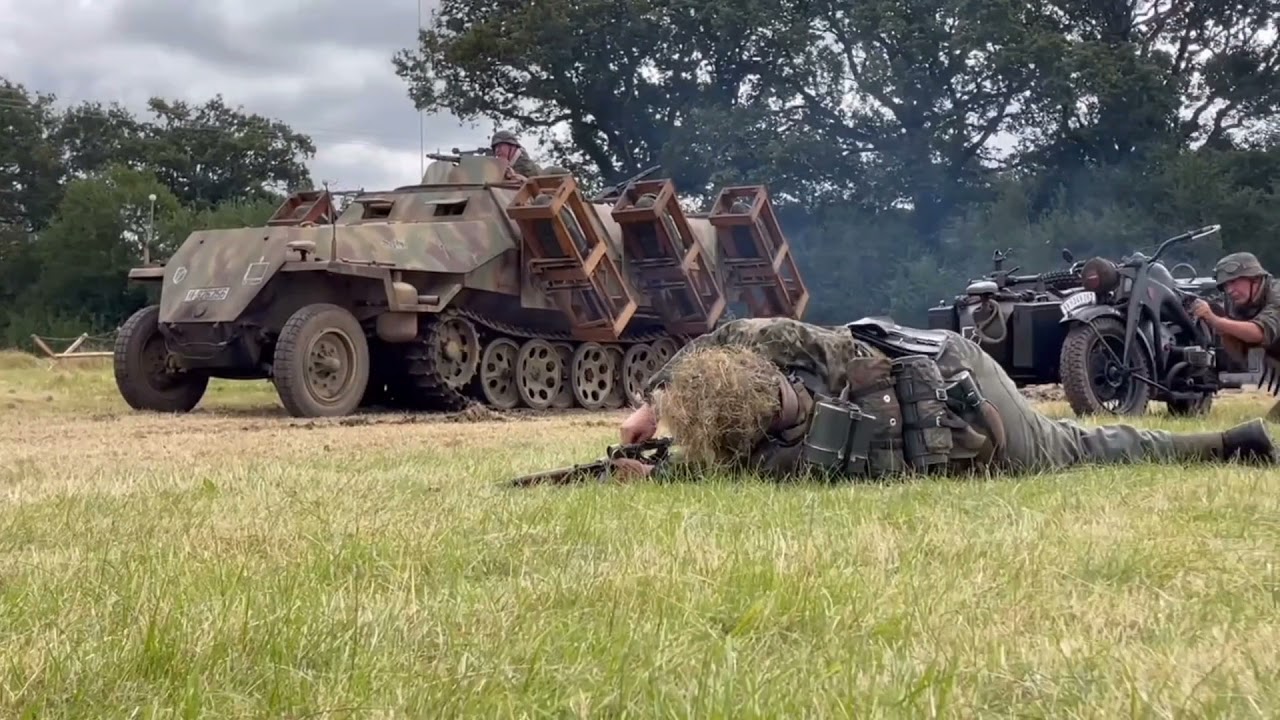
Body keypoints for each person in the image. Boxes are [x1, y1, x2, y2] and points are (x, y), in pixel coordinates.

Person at [612, 317, 1277, 480]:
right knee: (1085, 442)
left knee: (1084, 446)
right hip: (940, 353)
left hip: (970, 416)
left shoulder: (778, 460)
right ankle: (1232, 442)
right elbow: (723, 335)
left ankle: (1224, 442)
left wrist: (650, 418)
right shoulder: (771, 344)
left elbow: (709, 466)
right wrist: (652, 403)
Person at [1189, 251, 1280, 419]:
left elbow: (1260, 333)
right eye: (1225, 286)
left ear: (1254, 278)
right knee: (1272, 422)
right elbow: (1239, 355)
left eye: (1233, 282)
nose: (1229, 290)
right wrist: (1223, 330)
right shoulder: (1237, 302)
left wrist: (1215, 320)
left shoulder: (1277, 294)